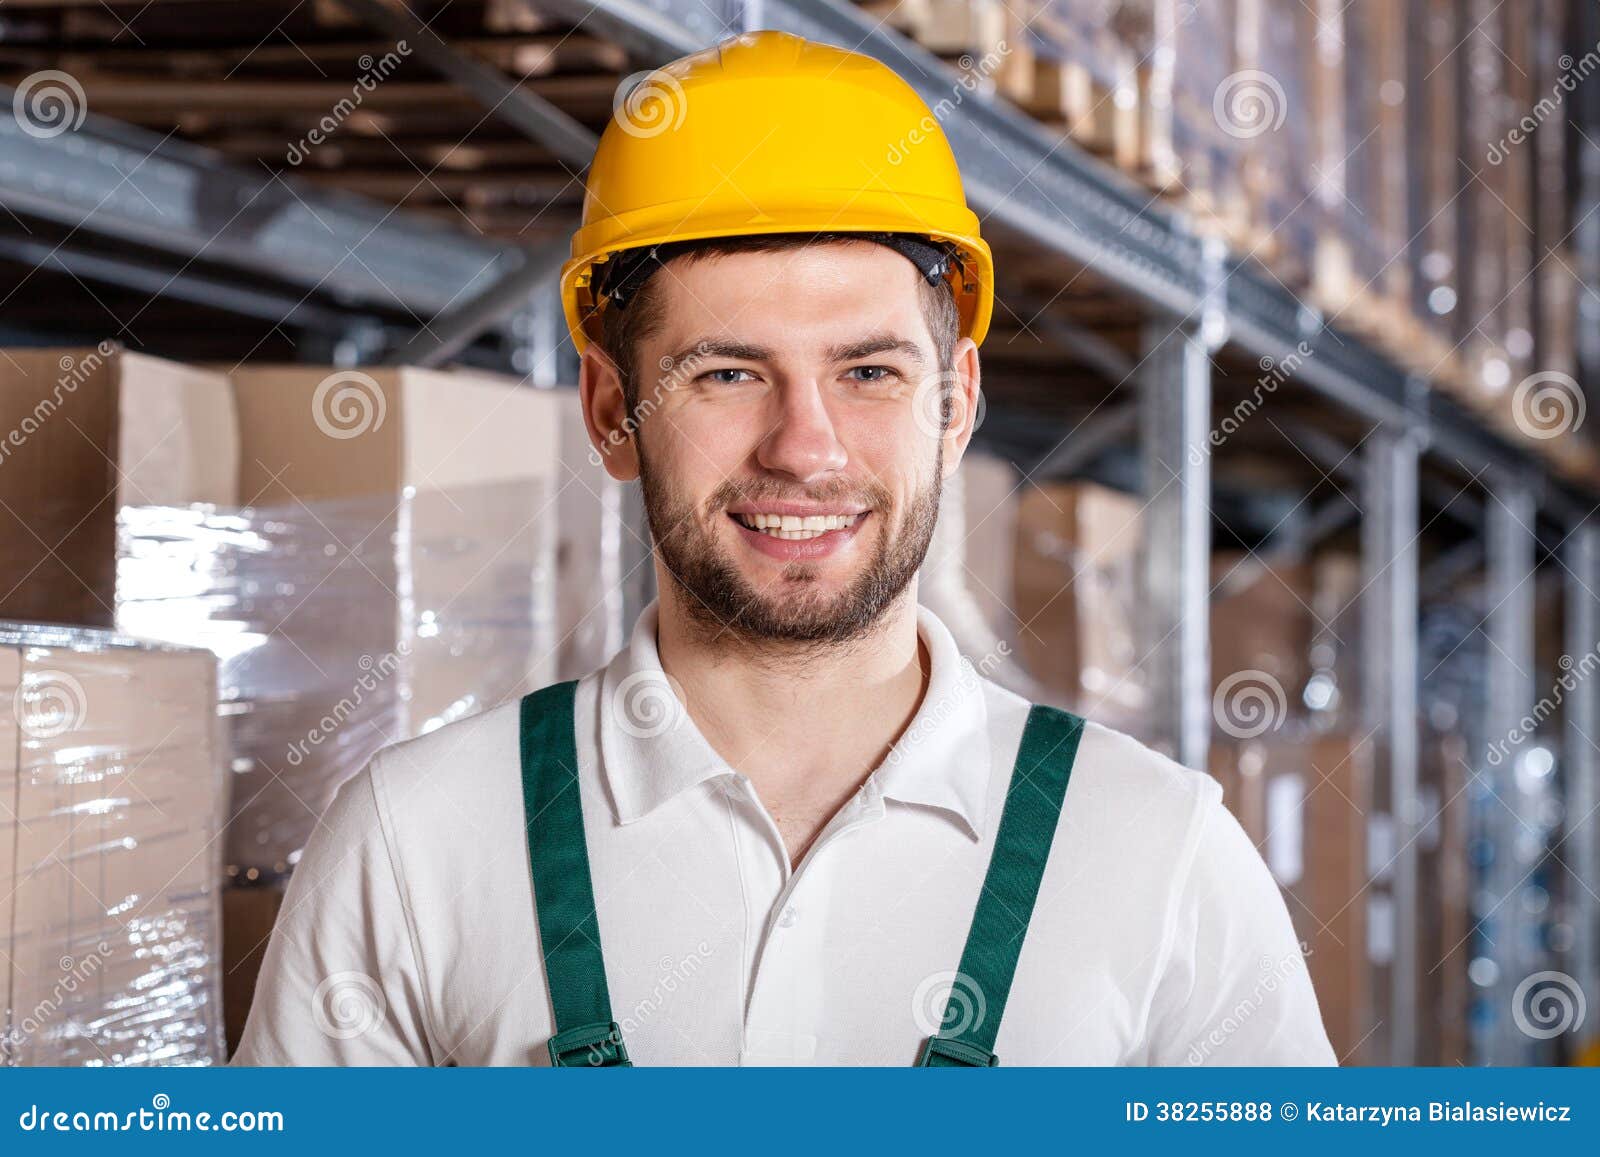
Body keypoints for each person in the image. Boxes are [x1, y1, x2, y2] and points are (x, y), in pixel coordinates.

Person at [234, 29, 1334, 1067]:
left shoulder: (1158, 850)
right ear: (614, 411)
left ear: (953, 407)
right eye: (726, 373)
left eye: (868, 372)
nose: (804, 448)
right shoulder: (414, 841)